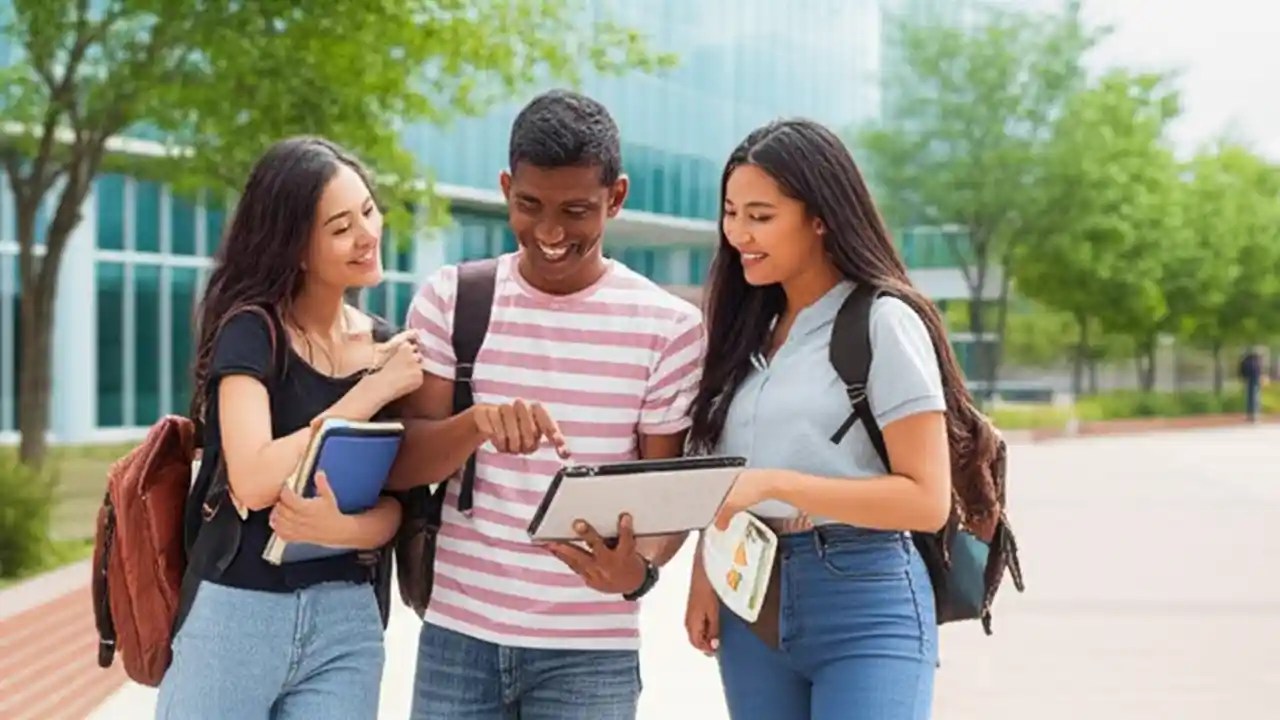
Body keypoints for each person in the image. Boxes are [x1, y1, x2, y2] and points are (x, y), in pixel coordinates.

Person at [389, 89, 704, 720]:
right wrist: (475, 424)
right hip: (459, 634)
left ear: (616, 198)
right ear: (507, 187)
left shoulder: (668, 327)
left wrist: (637, 568)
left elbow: (665, 501)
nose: (551, 232)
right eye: (529, 205)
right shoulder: (452, 300)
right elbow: (401, 465)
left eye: (577, 210)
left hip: (591, 651)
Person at [683, 118, 999, 720]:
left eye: (761, 215)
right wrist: (706, 574)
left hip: (866, 598)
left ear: (820, 217)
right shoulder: (741, 332)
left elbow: (926, 500)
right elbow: (723, 474)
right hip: (752, 597)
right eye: (730, 212)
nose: (738, 233)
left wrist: (776, 484)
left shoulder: (883, 322)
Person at [157, 136, 423, 719]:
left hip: (346, 624)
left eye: (368, 212)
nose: (366, 235)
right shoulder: (252, 333)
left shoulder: (385, 342)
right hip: (238, 615)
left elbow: (397, 507)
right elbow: (251, 480)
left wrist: (341, 530)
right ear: (297, 249)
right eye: (339, 227)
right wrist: (372, 391)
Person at [1239, 347, 1266, 422]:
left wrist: (1243, 378)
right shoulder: (1256, 362)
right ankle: (1255, 415)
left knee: (1249, 398)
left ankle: (1250, 415)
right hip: (1255, 380)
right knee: (1255, 398)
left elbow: (1242, 371)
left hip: (1248, 380)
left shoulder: (1245, 361)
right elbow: (1259, 371)